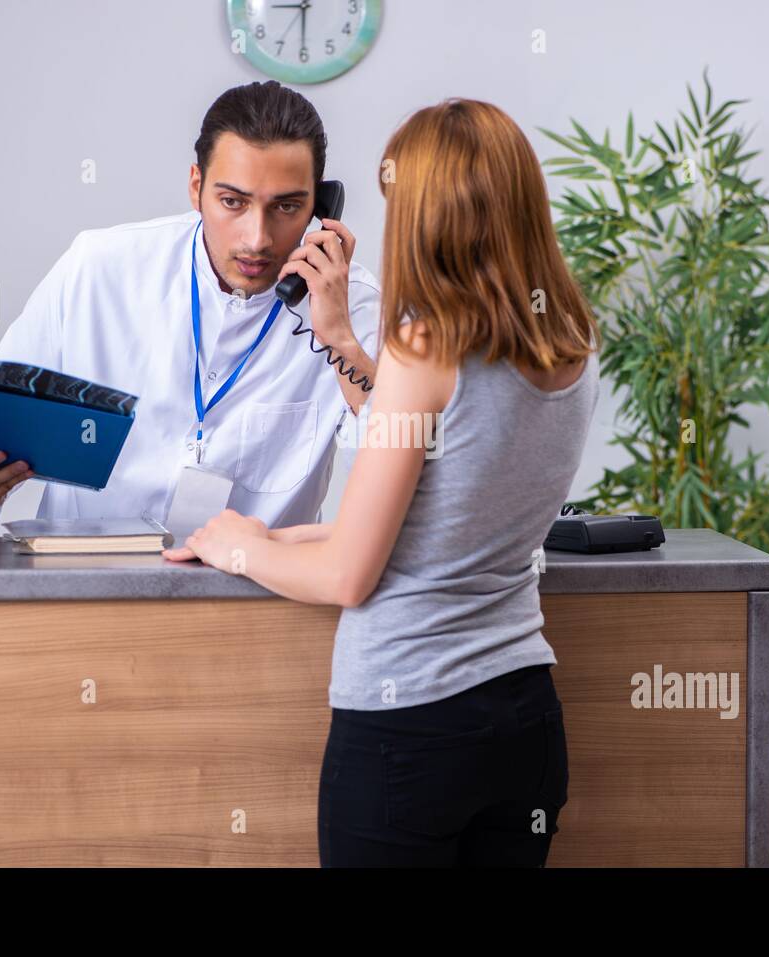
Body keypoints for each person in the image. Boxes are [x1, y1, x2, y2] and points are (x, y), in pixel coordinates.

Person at [163, 98, 600, 867]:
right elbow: (439, 484)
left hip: (411, 729)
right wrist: (338, 338)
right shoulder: (566, 339)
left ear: (427, 214)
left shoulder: (425, 346)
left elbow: (348, 575)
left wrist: (239, 546)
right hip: (524, 714)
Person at [0, 81, 381, 533]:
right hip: (84, 584)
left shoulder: (354, 305)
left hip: (256, 594)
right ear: (197, 188)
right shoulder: (98, 268)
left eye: (287, 207)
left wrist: (341, 341)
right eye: (232, 202)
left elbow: (400, 479)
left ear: (321, 209)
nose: (257, 239)